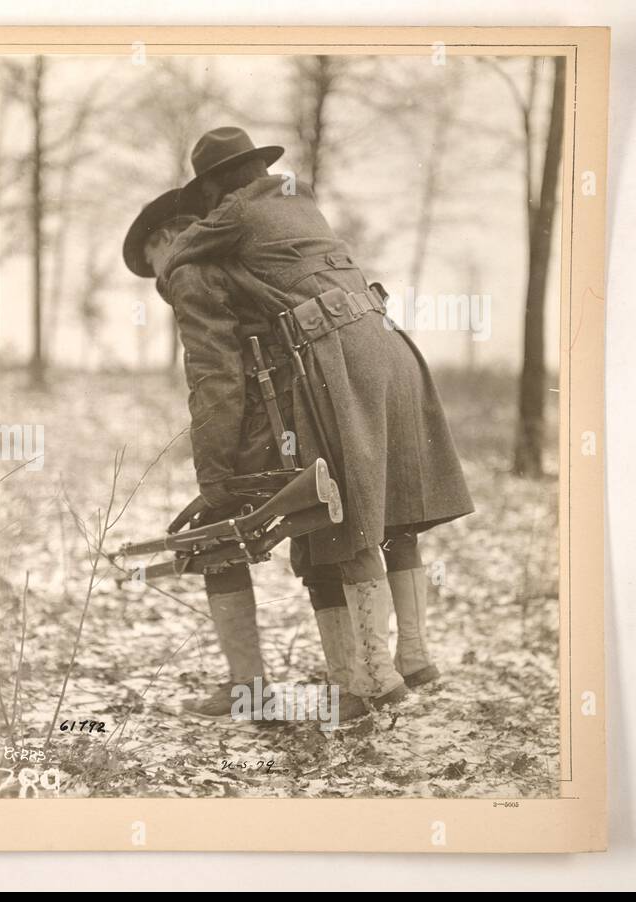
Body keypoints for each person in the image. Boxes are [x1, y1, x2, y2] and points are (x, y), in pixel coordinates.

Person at [158, 126, 474, 717]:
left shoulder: (230, 220)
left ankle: (368, 681)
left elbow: (214, 377)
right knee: (390, 511)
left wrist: (215, 474)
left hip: (337, 355)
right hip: (390, 347)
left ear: (216, 189)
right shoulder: (296, 199)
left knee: (339, 519)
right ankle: (409, 658)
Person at [124, 186, 354, 719]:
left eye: (153, 261)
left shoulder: (191, 272)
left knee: (213, 538)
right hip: (317, 409)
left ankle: (247, 689)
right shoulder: (249, 255)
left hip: (263, 424)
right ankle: (354, 683)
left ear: (167, 238)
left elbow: (216, 379)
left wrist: (214, 473)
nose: (159, 276)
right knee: (323, 537)